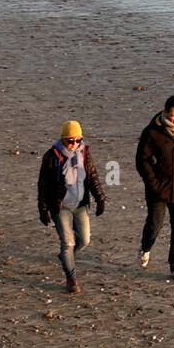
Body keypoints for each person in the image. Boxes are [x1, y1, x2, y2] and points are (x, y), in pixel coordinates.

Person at [38, 120, 106, 294]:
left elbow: (93, 176)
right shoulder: (52, 156)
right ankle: (71, 277)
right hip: (60, 207)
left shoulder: (84, 154)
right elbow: (43, 184)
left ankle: (65, 257)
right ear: (63, 139)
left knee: (84, 240)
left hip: (81, 205)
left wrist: (100, 199)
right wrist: (43, 209)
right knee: (68, 242)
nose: (74, 144)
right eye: (70, 140)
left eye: (78, 140)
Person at [135, 95, 174, 283]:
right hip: (157, 190)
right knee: (155, 224)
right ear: (166, 113)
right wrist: (153, 184)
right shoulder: (152, 132)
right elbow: (141, 161)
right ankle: (145, 248)